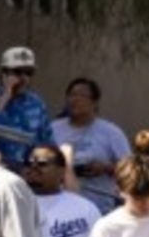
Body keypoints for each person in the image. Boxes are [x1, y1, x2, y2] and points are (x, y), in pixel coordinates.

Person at [50, 78, 128, 212]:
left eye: (81, 96)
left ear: (94, 102)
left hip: (99, 206)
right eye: (71, 95)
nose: (75, 100)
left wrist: (106, 168)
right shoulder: (53, 129)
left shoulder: (111, 132)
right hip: (59, 206)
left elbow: (129, 169)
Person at [0, 46, 51, 165]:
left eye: (29, 73)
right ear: (4, 73)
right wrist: (6, 95)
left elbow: (46, 140)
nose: (24, 78)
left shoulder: (36, 103)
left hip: (28, 169)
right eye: (18, 72)